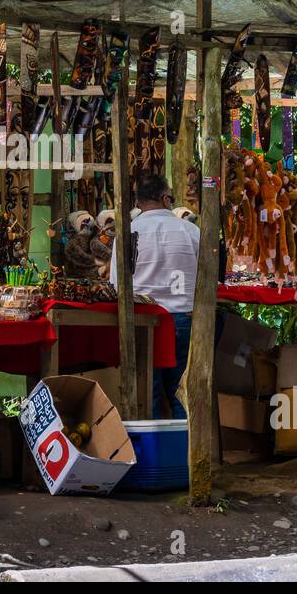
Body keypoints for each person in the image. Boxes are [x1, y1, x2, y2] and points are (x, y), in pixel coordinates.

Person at [110, 172, 199, 419]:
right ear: (166, 198)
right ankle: (186, 453)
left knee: (148, 394)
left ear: (137, 202)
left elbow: (115, 285)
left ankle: (154, 454)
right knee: (182, 392)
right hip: (183, 318)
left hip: (142, 321)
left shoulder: (126, 233)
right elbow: (207, 277)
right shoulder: (190, 232)